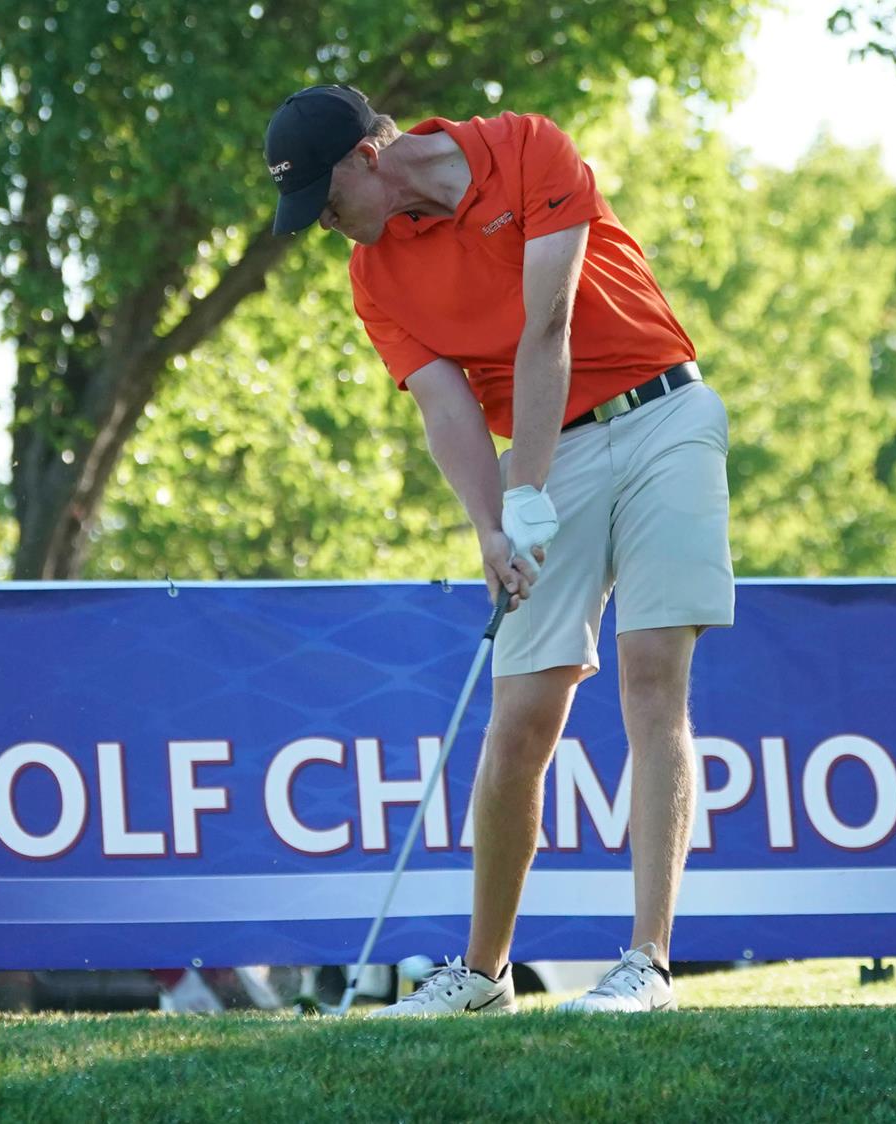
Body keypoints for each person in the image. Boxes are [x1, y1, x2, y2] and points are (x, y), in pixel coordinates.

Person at [263, 86, 734, 1015]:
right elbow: (446, 407)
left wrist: (525, 492)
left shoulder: (526, 149)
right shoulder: (374, 277)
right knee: (522, 712)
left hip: (661, 414)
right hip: (540, 451)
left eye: (325, 198)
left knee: (650, 678)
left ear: (366, 156)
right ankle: (484, 976)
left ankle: (649, 964)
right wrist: (490, 526)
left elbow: (548, 324)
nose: (323, 221)